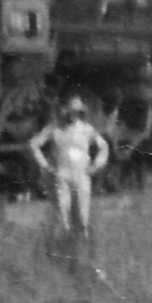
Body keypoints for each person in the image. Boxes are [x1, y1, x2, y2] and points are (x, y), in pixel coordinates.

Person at [30, 95, 111, 240]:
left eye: (77, 112)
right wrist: (45, 165)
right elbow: (34, 144)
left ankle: (84, 241)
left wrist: (96, 165)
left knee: (83, 212)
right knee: (63, 211)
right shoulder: (54, 129)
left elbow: (103, 146)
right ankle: (66, 241)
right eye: (71, 111)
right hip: (62, 173)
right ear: (64, 111)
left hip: (82, 173)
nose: (73, 115)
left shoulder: (86, 129)